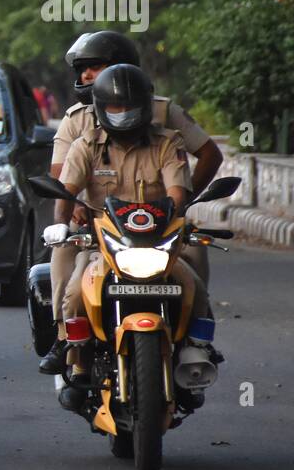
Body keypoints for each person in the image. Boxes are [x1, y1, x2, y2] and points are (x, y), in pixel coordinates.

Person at [39, 30, 222, 373]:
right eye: (83, 69)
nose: (86, 76)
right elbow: (62, 180)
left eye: (95, 67)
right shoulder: (80, 126)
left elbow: (205, 158)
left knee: (194, 260)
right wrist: (71, 210)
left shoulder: (165, 129)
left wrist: (180, 202)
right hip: (97, 225)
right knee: (68, 265)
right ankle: (67, 337)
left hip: (159, 227)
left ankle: (196, 339)